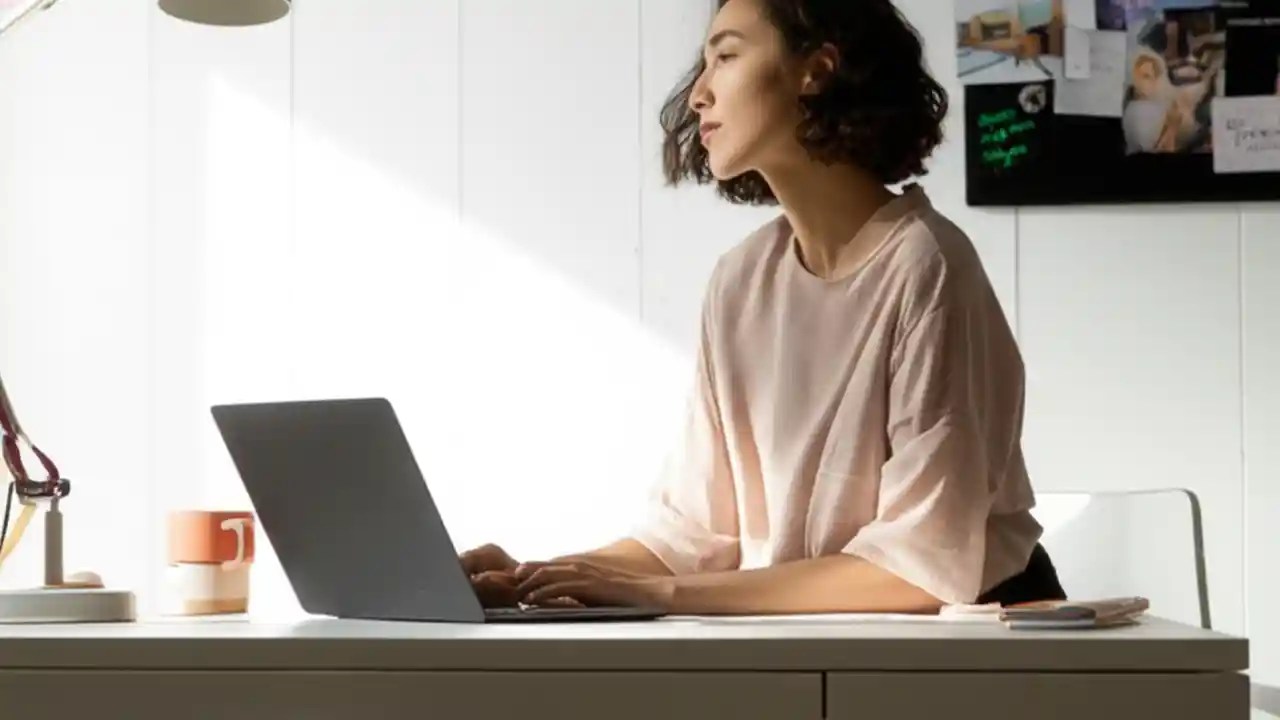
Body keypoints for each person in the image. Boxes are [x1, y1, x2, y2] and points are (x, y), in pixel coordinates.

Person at [461, 0, 1065, 615]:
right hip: (824, 644)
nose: (698, 94)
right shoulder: (740, 282)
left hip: (981, 649)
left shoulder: (927, 266)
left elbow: (919, 569)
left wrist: (658, 595)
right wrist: (534, 575)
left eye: (725, 56)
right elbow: (692, 535)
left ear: (817, 70)